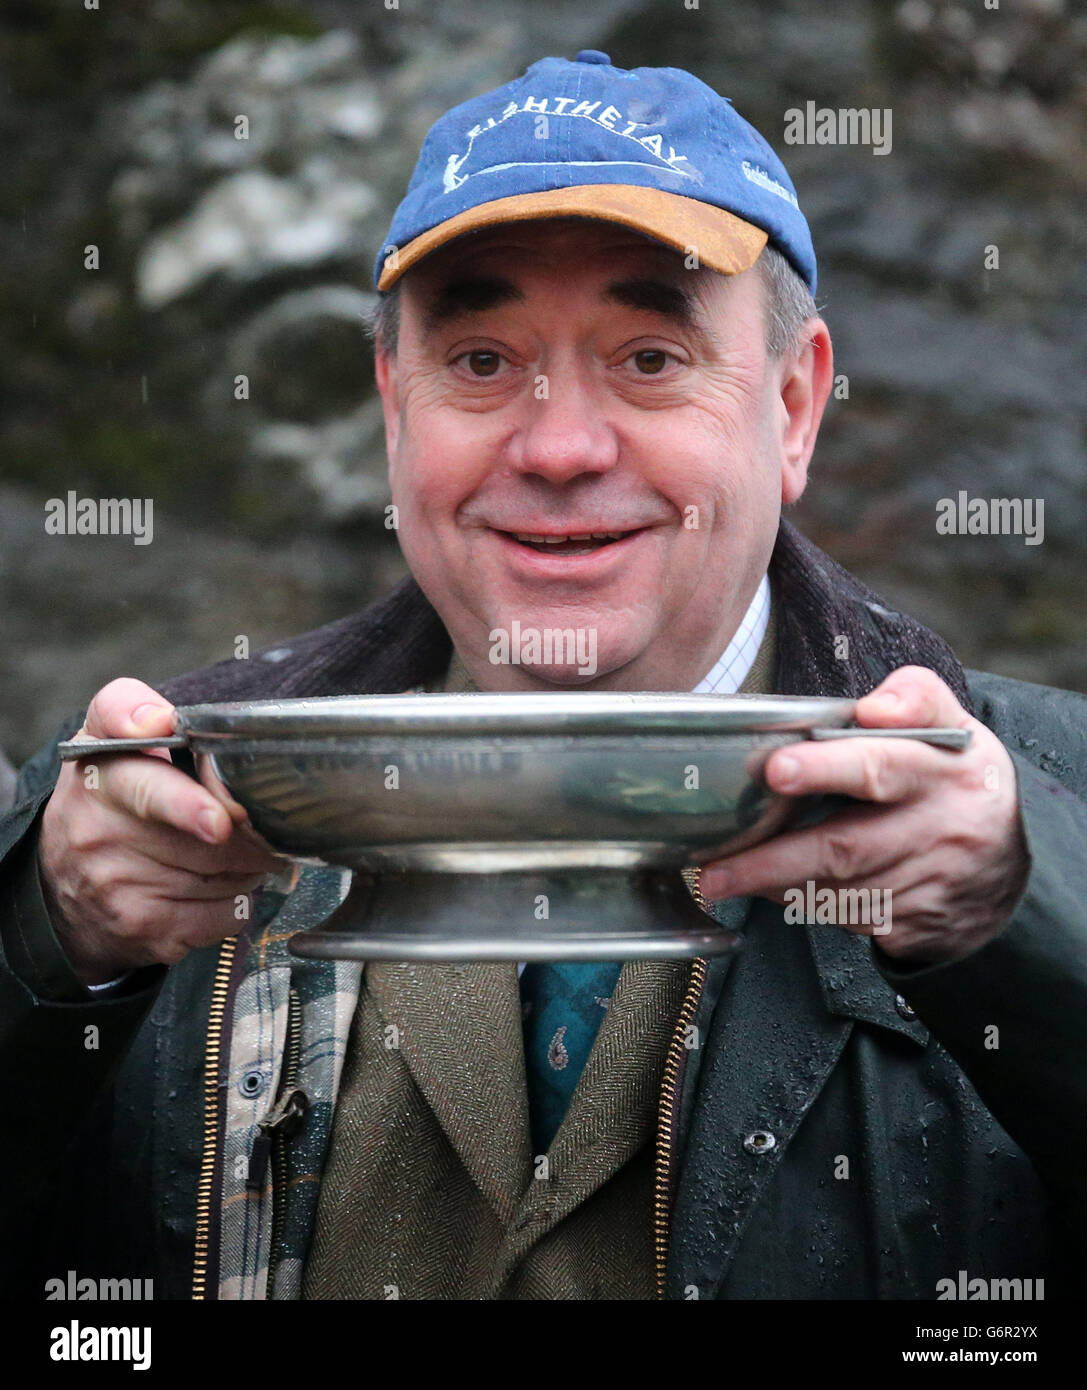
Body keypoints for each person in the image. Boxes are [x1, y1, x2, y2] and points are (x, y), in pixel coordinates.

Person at [2, 51, 1085, 1302]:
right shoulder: (135, 815)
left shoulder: (1045, 812)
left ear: (792, 407)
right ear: (392, 411)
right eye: (477, 363)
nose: (560, 447)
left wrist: (1022, 927)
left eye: (648, 357)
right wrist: (45, 947)